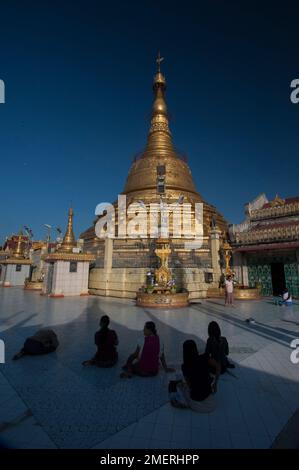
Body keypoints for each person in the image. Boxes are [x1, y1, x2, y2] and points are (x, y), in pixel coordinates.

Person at [168, 340, 220, 412]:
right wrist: (215, 383)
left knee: (176, 384)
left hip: (196, 398)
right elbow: (218, 366)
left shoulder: (185, 366)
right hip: (208, 393)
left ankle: (175, 397)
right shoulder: (204, 357)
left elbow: (189, 385)